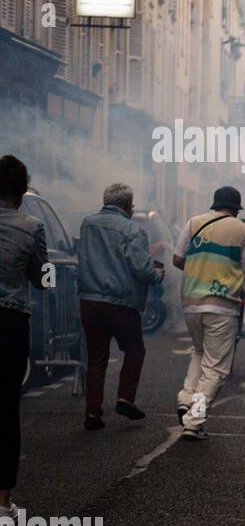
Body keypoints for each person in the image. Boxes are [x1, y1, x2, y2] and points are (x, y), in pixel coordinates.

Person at [173, 187, 245, 440]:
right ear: (236, 209)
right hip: (222, 305)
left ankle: (186, 398)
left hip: (191, 302)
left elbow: (177, 259)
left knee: (200, 351)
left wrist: (199, 269)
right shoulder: (242, 231)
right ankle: (194, 419)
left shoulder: (194, 223)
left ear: (214, 205)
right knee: (216, 369)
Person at [77, 183, 165, 430]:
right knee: (134, 350)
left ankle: (93, 413)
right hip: (121, 303)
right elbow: (141, 268)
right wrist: (158, 273)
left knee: (97, 357)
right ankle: (125, 397)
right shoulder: (132, 230)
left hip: (89, 301)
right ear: (127, 205)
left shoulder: (87, 224)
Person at [0, 156, 48, 521]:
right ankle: (3, 505)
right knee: (7, 412)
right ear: (22, 191)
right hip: (10, 321)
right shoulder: (33, 226)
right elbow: (42, 280)